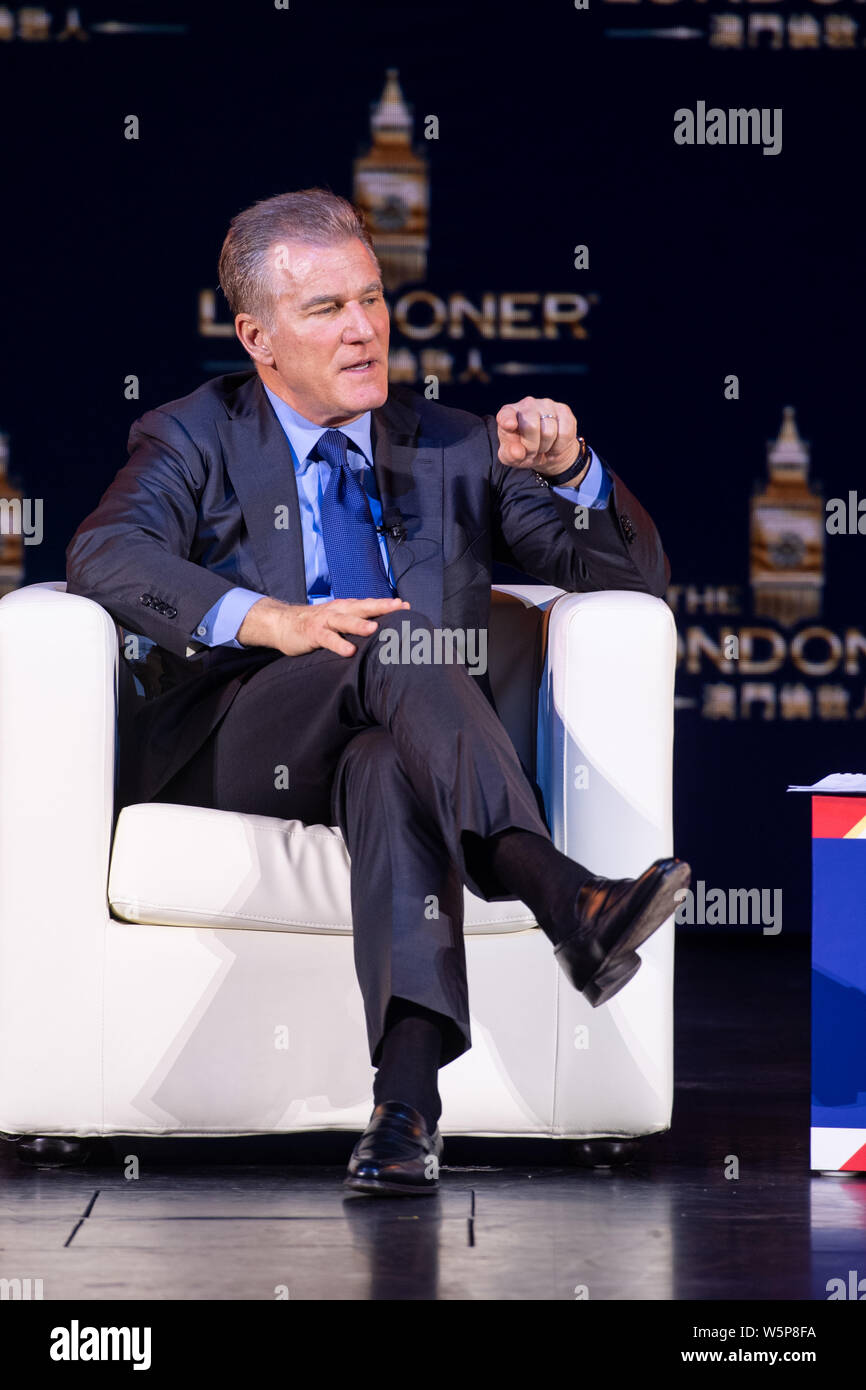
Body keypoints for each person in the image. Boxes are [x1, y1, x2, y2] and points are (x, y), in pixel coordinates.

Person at [66, 188, 690, 1197]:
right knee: (393, 633)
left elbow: (628, 590)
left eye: (371, 299)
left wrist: (573, 470)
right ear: (256, 336)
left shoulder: (449, 446)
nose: (363, 329)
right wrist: (272, 620)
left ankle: (404, 1113)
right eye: (325, 311)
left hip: (403, 743)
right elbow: (102, 551)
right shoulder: (194, 433)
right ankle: (551, 887)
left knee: (386, 766)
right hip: (240, 740)